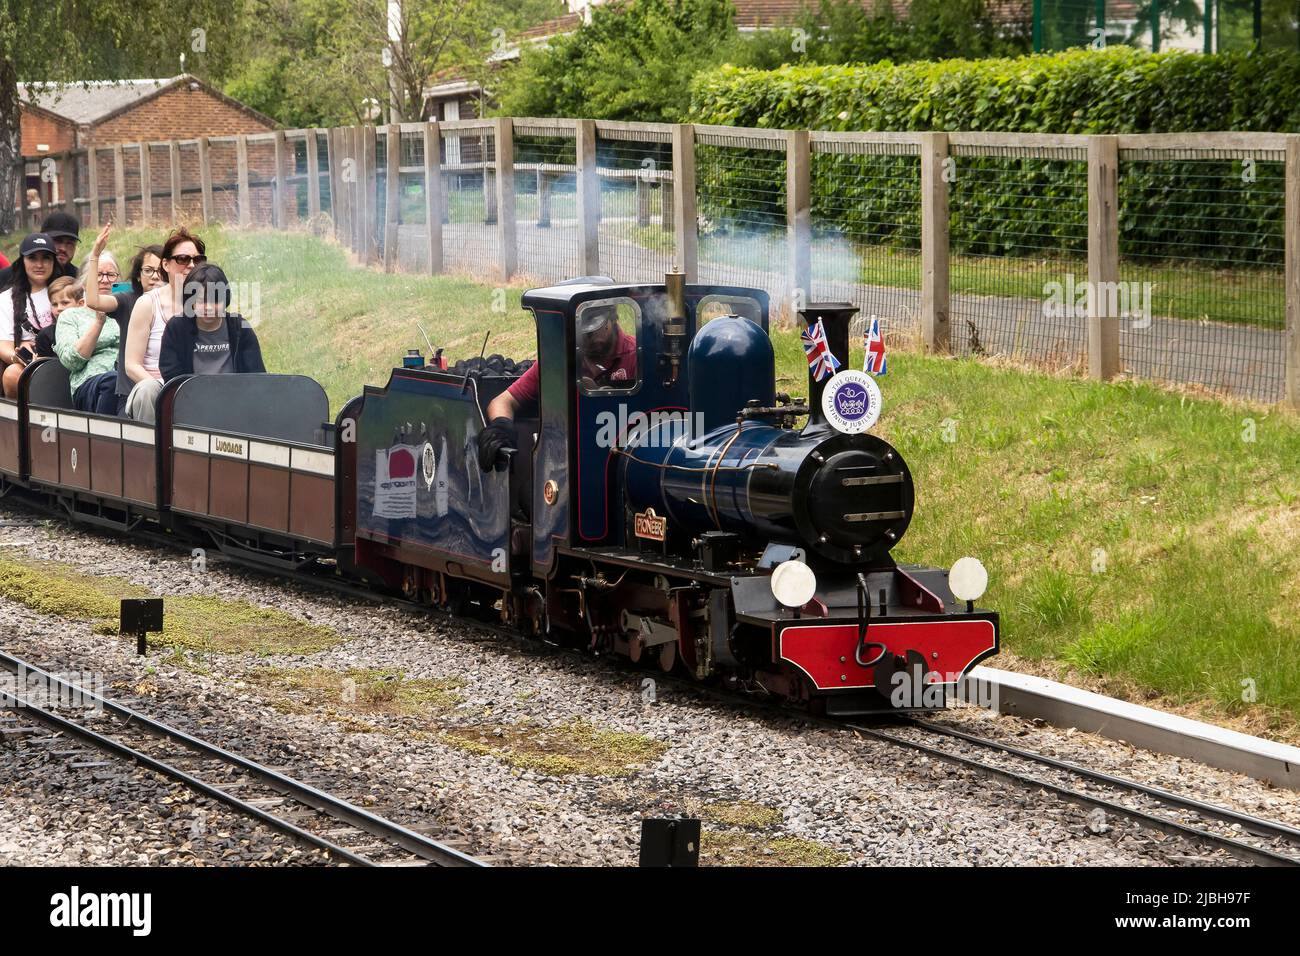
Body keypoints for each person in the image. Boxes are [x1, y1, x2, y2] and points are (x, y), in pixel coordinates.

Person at [477, 304, 635, 470]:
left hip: (622, 458)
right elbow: (503, 401)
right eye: (582, 333)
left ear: (612, 317)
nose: (588, 340)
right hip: (568, 461)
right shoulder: (557, 360)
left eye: (593, 331)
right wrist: (501, 428)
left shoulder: (637, 356)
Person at [122, 227, 205, 422]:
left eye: (198, 260)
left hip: (197, 386)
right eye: (183, 259)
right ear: (166, 265)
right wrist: (167, 394)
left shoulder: (209, 304)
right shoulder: (148, 303)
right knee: (146, 391)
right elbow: (131, 365)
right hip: (156, 388)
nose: (191, 265)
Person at [81, 224, 165, 414]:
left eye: (160, 271)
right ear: (138, 274)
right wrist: (95, 254)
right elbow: (93, 300)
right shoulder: (128, 299)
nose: (154, 277)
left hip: (169, 392)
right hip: (130, 396)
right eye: (148, 270)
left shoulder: (176, 303)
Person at [159, 263, 265, 380]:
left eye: (215, 300)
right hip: (190, 394)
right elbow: (171, 374)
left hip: (234, 394)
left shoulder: (239, 327)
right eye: (201, 301)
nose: (208, 307)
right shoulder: (177, 327)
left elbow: (257, 374)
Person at [0, 233, 59, 399]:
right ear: (22, 261)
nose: (39, 264)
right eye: (32, 258)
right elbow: (3, 345)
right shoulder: (6, 299)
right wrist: (17, 358)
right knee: (12, 374)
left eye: (46, 258)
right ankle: (25, 423)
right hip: (26, 365)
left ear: (53, 261)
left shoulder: (67, 291)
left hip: (63, 359)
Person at [51, 277, 118, 414]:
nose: (105, 280)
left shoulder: (131, 308)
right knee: (113, 381)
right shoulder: (71, 315)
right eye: (98, 275)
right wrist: (99, 323)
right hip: (91, 381)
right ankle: (103, 434)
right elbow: (72, 361)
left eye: (111, 274)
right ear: (85, 284)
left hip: (130, 376)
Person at [0, 211, 80, 291]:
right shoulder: (7, 278)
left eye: (70, 243)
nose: (63, 248)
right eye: (57, 240)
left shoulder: (79, 279)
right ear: (42, 238)